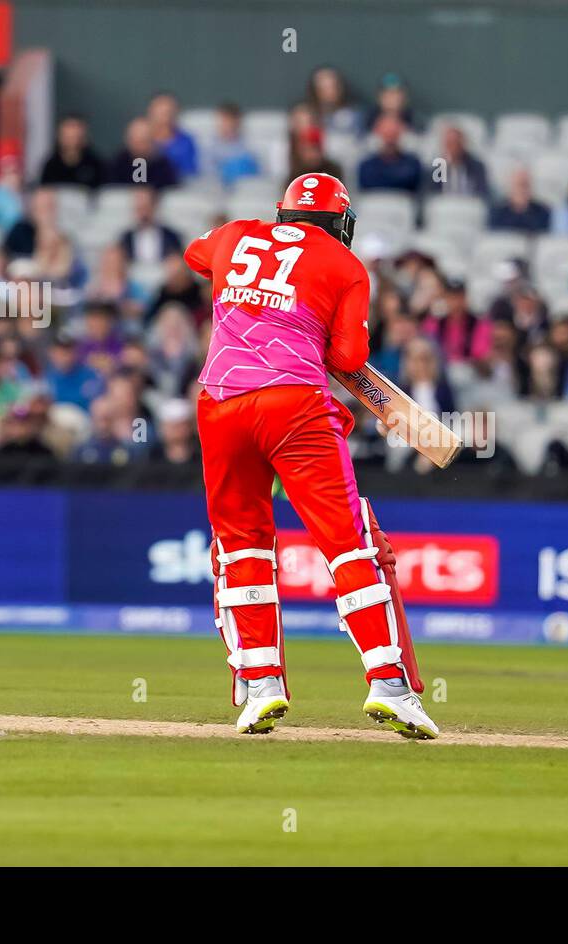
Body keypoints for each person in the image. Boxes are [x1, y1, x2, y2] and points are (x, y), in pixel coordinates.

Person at [183, 172, 439, 739]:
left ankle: (260, 686)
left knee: (241, 542)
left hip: (219, 403)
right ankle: (390, 685)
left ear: (284, 212)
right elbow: (348, 354)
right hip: (294, 404)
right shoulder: (346, 266)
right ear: (339, 222)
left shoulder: (237, 234)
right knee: (349, 542)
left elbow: (195, 254)